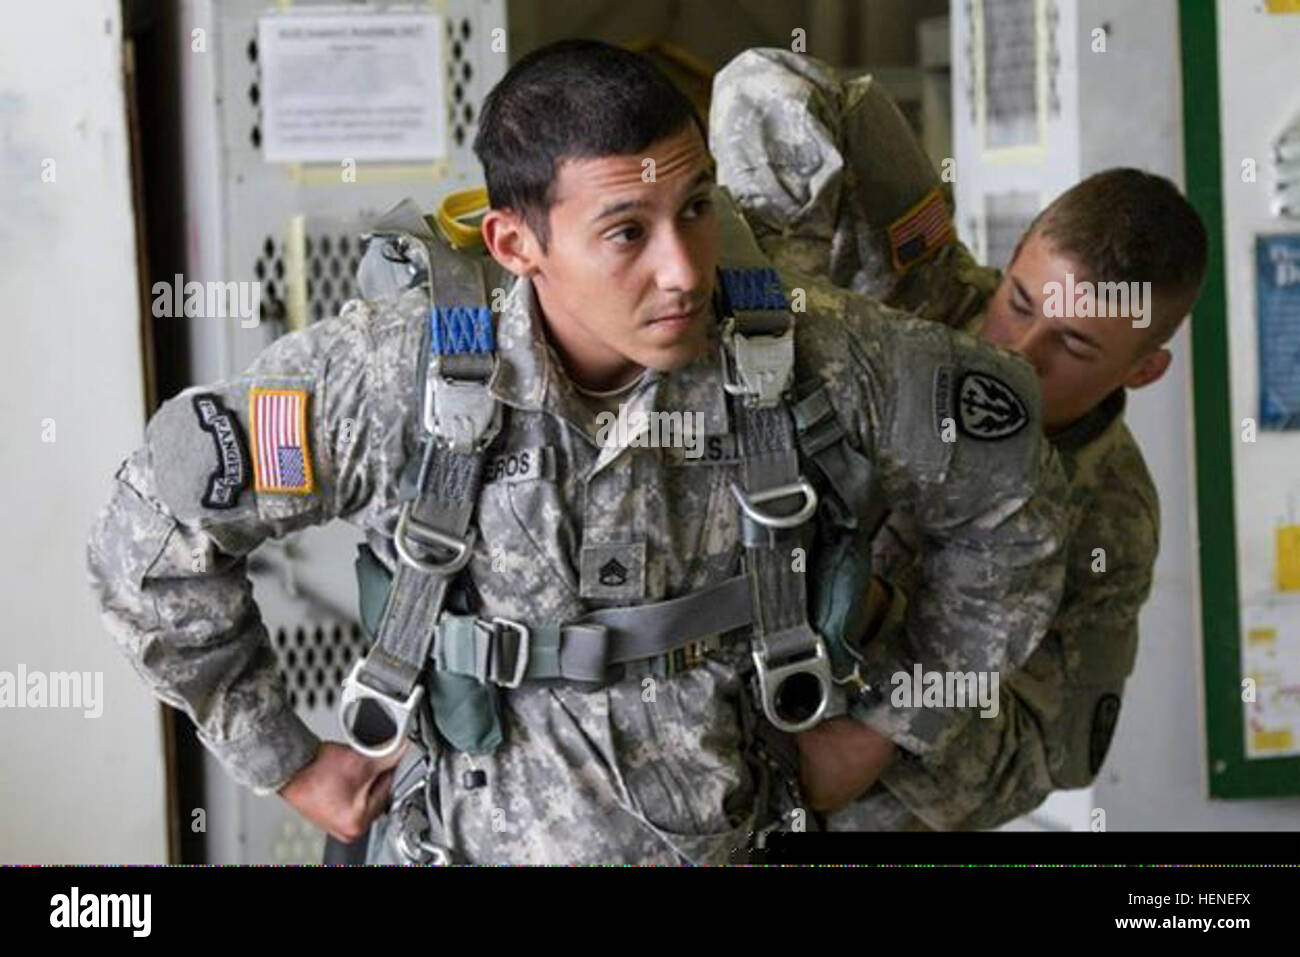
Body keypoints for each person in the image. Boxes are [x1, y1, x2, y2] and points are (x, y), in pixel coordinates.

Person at [87, 39, 1066, 864]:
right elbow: (150, 536)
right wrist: (289, 761)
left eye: (694, 209)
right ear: (517, 245)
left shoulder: (816, 358)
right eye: (625, 232)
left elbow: (1014, 509)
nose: (682, 269)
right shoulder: (395, 382)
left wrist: (888, 727)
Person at [710, 48, 1208, 830]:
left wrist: (889, 701)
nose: (1016, 351)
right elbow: (777, 81)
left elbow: (1043, 757)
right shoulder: (920, 288)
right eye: (1019, 300)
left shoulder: (1111, 518)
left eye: (1073, 346)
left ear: (1144, 371)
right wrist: (773, 292)